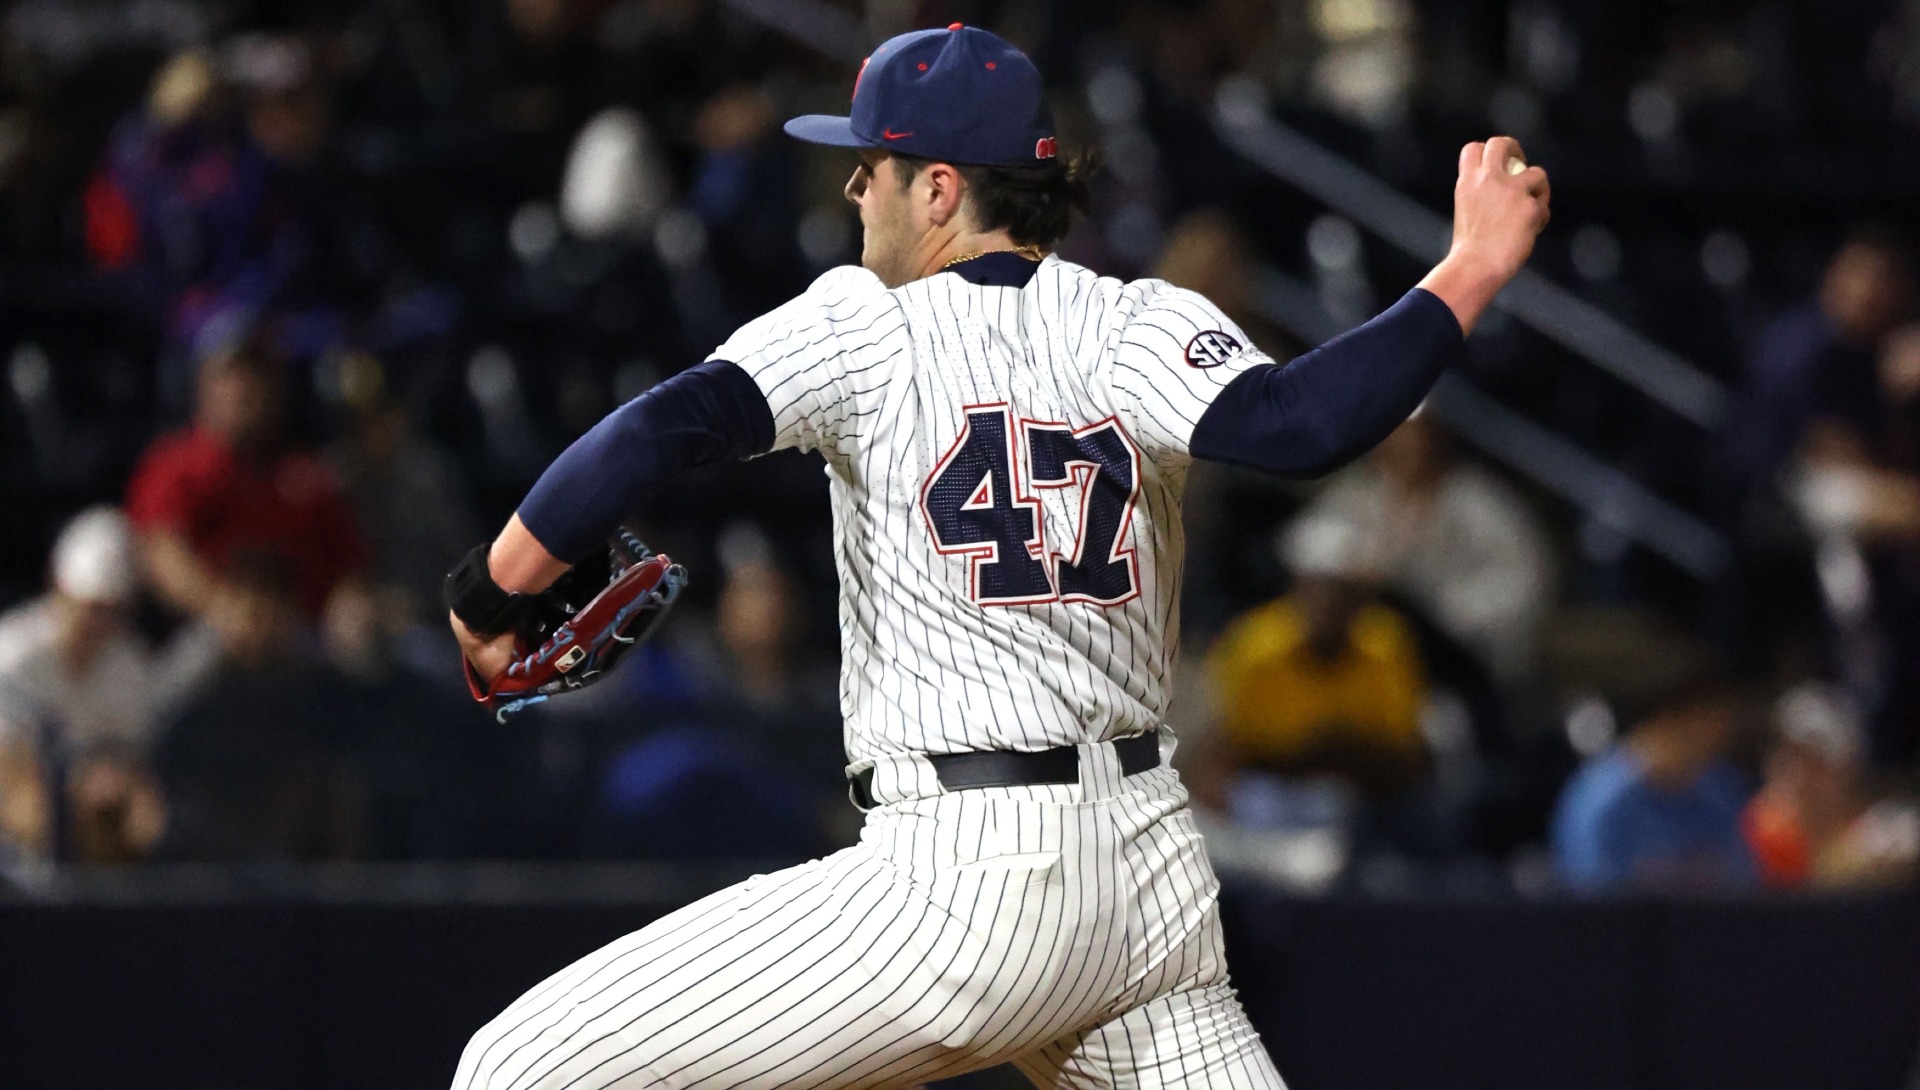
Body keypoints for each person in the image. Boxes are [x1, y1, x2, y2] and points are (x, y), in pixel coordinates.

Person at [445, 24, 1549, 1089]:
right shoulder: (1134, 321)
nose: (852, 190)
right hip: (1145, 887)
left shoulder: (863, 321)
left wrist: (489, 588)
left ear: (939, 189)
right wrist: (1467, 269)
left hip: (965, 882)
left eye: (872, 165)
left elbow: (662, 427)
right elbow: (1303, 424)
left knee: (512, 1068)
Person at [0, 507, 219, 864]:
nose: (96, 622)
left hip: (91, 816)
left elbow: (129, 760)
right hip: (15, 832)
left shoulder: (127, 666)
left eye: (110, 611)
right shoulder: (11, 654)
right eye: (89, 606)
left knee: (143, 816)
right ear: (58, 587)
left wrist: (109, 781)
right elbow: (8, 773)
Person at [1551, 663, 1757, 893]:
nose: (1721, 732)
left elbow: (1742, 887)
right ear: (1667, 719)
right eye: (1708, 719)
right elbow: (1592, 907)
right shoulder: (1604, 801)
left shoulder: (1720, 790)